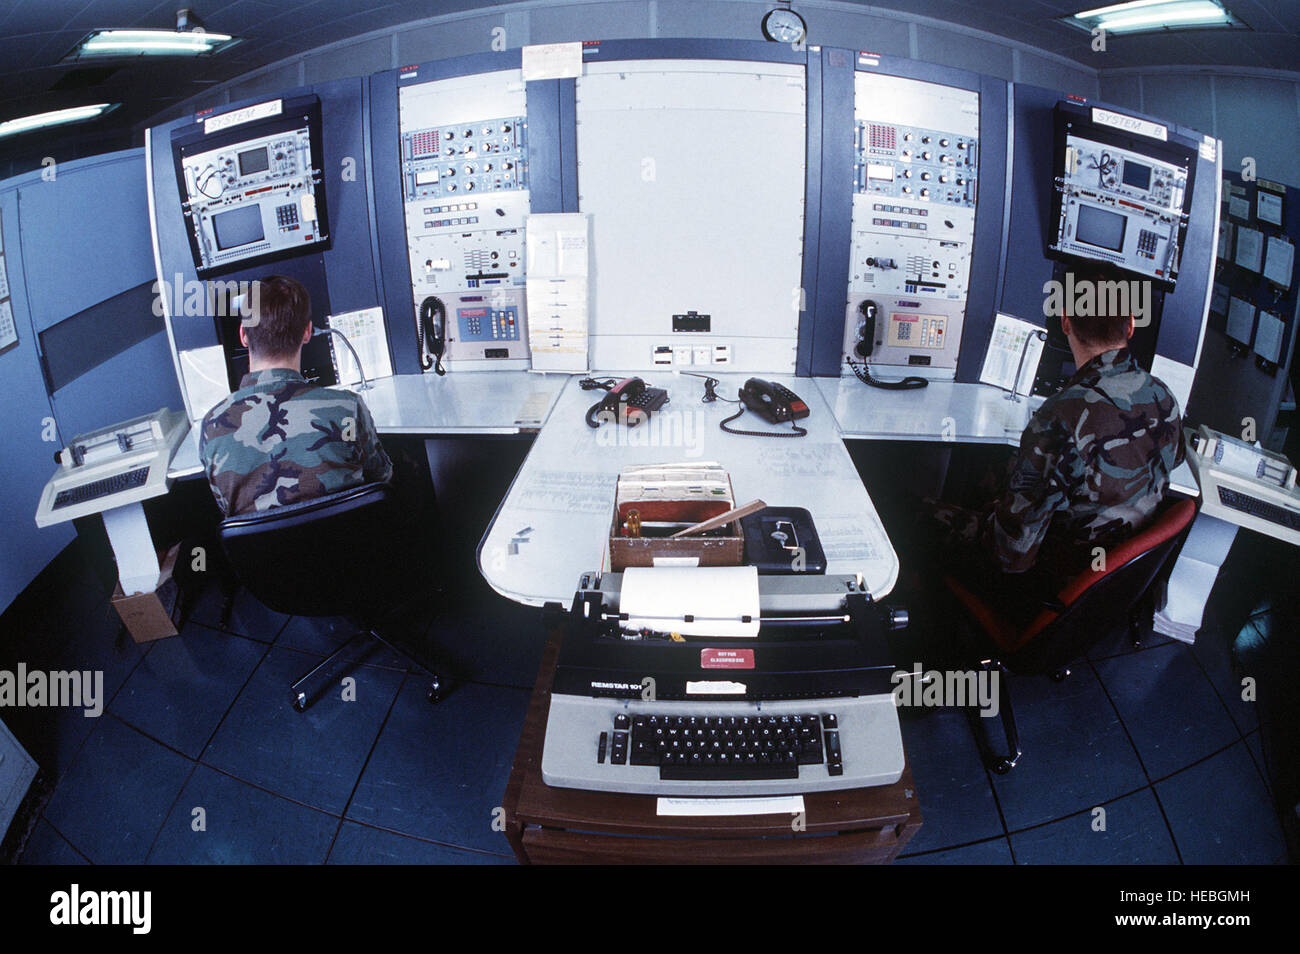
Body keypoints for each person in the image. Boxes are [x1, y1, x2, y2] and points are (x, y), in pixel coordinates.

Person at [922, 265, 1186, 622]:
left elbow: (1010, 555)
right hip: (1104, 576)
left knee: (912, 512)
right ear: (1130, 325)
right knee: (988, 477)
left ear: (1065, 322)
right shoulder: (1164, 395)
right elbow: (1177, 457)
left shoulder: (1060, 416)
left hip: (1046, 582)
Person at [199, 275, 393, 517]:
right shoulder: (346, 409)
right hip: (349, 547)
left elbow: (228, 510)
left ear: (243, 335)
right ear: (307, 332)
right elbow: (381, 478)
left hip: (263, 553)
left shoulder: (212, 428)